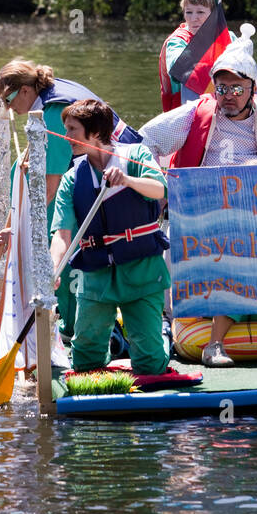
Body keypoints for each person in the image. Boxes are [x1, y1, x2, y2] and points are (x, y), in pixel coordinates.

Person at [140, 24, 257, 367]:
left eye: (236, 88)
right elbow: (144, 141)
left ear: (252, 89)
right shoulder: (193, 116)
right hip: (210, 223)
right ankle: (214, 345)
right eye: (222, 86)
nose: (227, 94)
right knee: (226, 259)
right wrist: (162, 188)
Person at [0, 59, 139, 339]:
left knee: (53, 234)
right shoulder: (48, 93)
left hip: (118, 174)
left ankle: (68, 327)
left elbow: (50, 185)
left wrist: (18, 229)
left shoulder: (53, 110)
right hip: (98, 169)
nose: (8, 108)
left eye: (8, 99)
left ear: (24, 90)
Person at [50, 99, 170, 376]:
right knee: (86, 361)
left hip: (142, 270)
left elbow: (159, 189)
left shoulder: (136, 155)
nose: (67, 137)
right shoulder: (72, 179)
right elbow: (62, 234)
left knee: (150, 365)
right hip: (96, 274)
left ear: (95, 133)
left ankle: (162, 338)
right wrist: (53, 268)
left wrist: (127, 180)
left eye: (72, 130)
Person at [158, 0, 232, 111]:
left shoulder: (226, 37)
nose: (193, 18)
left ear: (215, 14)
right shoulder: (177, 41)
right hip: (182, 114)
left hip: (220, 109)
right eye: (189, 12)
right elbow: (178, 68)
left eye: (200, 12)